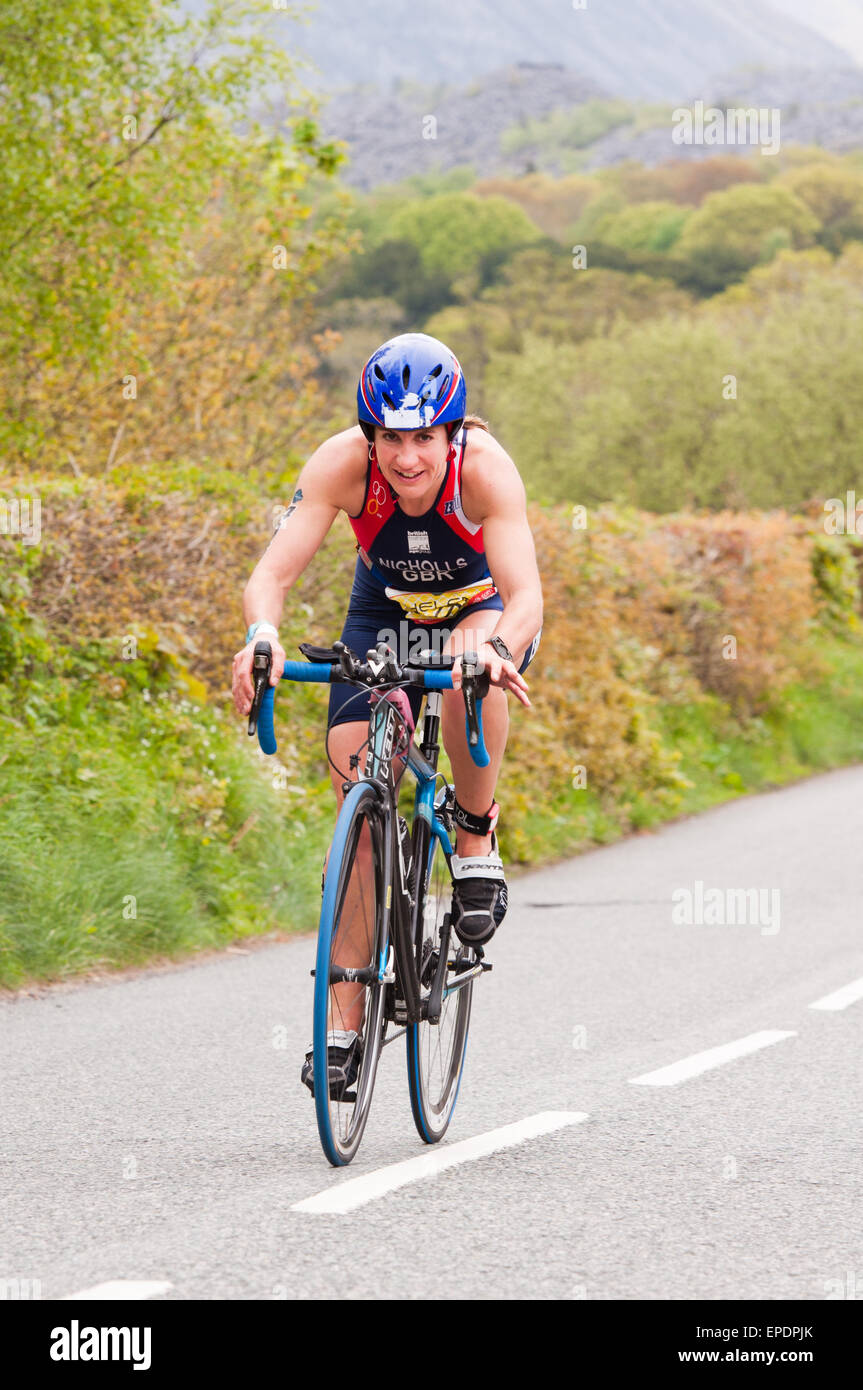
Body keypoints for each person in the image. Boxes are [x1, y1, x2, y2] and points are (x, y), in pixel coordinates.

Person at [232, 333, 543, 1095]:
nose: (407, 458)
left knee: (462, 680)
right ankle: (343, 1029)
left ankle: (473, 837)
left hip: (477, 611)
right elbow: (271, 573)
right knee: (355, 808)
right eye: (392, 440)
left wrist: (494, 647)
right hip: (382, 612)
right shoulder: (340, 464)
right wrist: (262, 636)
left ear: (451, 433)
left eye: (424, 438)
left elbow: (526, 594)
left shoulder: (484, 471)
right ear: (370, 437)